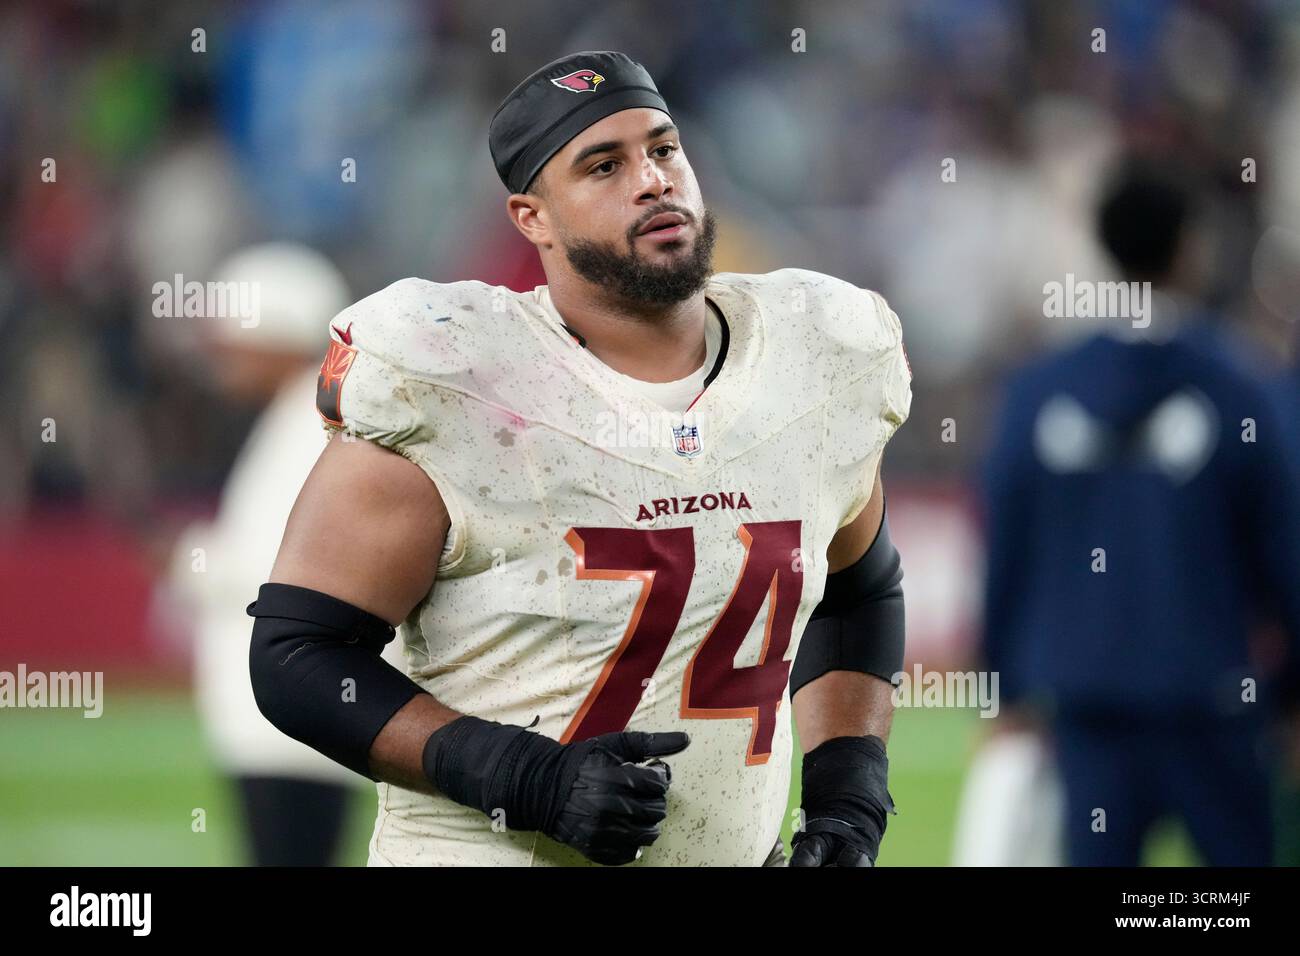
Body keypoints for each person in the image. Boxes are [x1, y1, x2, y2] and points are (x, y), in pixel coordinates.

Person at [247, 51, 913, 867]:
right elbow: (298, 658)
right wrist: (524, 778)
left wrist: (848, 803)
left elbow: (855, 591)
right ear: (533, 219)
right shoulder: (459, 379)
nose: (653, 180)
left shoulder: (814, 357)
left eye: (663, 149)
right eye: (603, 166)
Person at [980, 160, 1300, 866]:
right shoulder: (1241, 386)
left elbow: (1005, 545)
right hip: (1213, 703)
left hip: (1089, 709)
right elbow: (1285, 551)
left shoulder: (1039, 391)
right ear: (1191, 248)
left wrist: (999, 684)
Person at [170, 242, 391, 865]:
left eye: (234, 335)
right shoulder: (305, 413)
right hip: (291, 711)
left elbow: (281, 566)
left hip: (286, 717)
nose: (220, 353)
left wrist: (188, 560)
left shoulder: (308, 421)